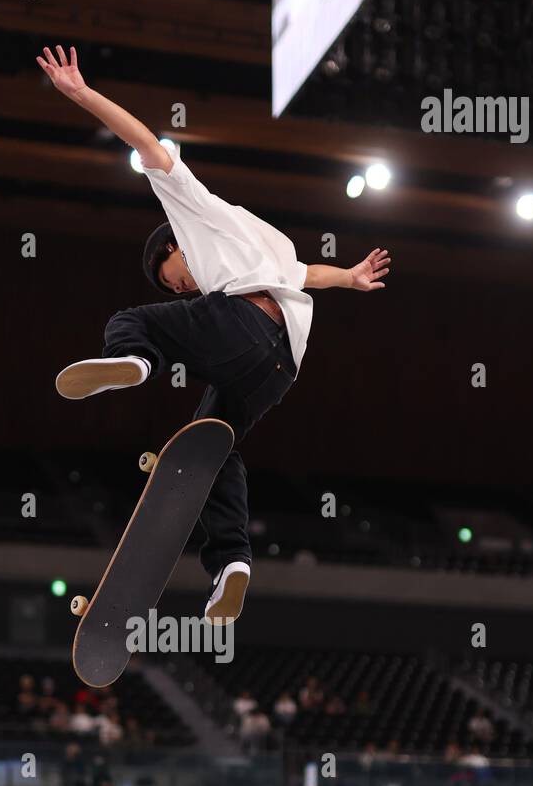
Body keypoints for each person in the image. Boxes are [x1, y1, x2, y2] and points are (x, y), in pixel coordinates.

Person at [38, 44, 389, 626]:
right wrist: (350, 278)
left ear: (174, 245)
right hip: (279, 367)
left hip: (242, 326)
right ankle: (233, 567)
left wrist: (81, 94)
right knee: (208, 444)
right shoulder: (261, 235)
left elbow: (145, 143)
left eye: (174, 277)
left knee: (133, 320)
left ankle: (133, 361)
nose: (181, 287)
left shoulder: (191, 207)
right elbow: (307, 275)